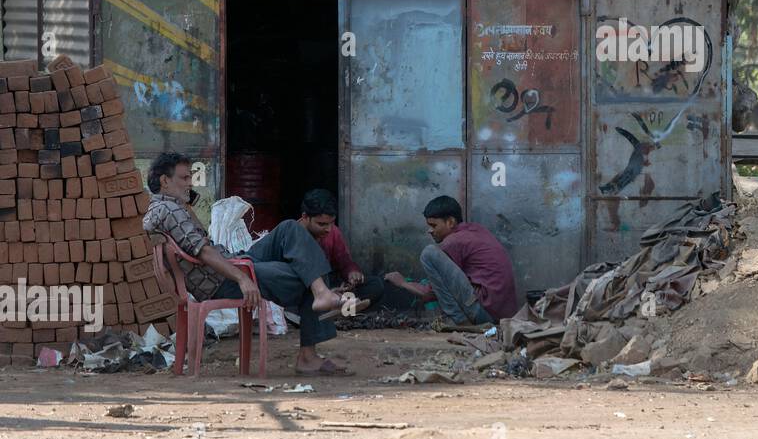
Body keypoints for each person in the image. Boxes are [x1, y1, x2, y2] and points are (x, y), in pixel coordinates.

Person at [142, 153, 367, 376]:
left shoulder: (165, 208)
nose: (190, 182)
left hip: (233, 263)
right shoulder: (170, 210)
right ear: (165, 181)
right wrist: (242, 279)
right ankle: (311, 341)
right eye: (184, 178)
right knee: (305, 273)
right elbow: (204, 251)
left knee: (290, 228)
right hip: (224, 279)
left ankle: (321, 293)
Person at [385, 196, 517, 325]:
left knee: (428, 254)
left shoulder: (453, 241)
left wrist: (402, 283)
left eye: (433, 225)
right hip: (501, 316)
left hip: (486, 314)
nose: (430, 231)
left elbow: (430, 293)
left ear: (451, 222)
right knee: (429, 279)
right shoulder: (475, 230)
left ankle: (461, 322)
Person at [297, 189, 384, 309]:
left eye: (331, 223)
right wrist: (325, 291)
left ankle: (336, 310)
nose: (328, 229)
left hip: (332, 285)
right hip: (307, 290)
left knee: (376, 284)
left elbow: (344, 261)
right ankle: (335, 309)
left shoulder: (333, 232)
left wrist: (352, 273)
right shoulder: (293, 236)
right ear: (305, 217)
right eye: (321, 224)